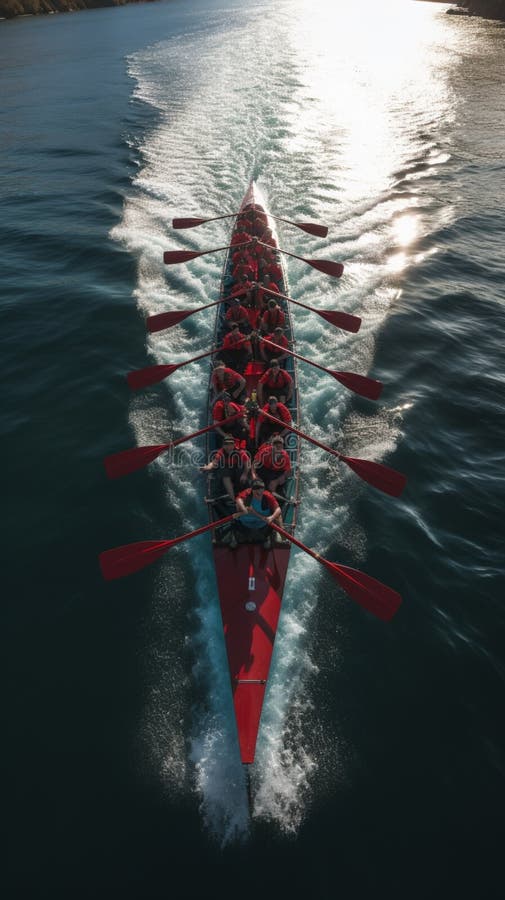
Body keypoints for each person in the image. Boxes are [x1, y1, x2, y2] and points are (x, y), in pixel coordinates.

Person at [233, 479, 282, 549]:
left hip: (262, 523)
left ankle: (269, 538)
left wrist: (271, 517)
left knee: (277, 517)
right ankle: (237, 538)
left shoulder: (267, 496)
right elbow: (238, 499)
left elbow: (278, 509)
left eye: (261, 490)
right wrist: (244, 510)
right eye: (256, 490)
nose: (259, 492)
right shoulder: (247, 493)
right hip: (245, 523)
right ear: (252, 490)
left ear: (263, 489)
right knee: (236, 513)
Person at [200, 435, 251, 500]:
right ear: (223, 446)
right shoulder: (221, 452)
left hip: (239, 470)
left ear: (233, 445)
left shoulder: (240, 451)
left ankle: (246, 496)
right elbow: (213, 463)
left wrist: (245, 474)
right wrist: (207, 467)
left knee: (244, 479)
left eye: (230, 444)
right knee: (225, 475)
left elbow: (248, 463)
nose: (228, 447)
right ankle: (233, 499)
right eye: (226, 444)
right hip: (228, 470)